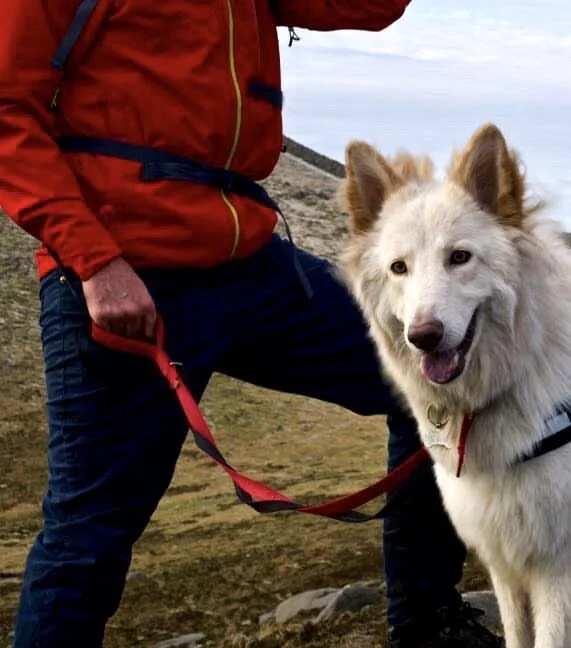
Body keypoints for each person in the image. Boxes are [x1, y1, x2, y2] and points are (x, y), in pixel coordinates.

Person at [0, 1, 503, 646]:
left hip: (247, 262)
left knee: (434, 386)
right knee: (89, 530)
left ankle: (426, 626)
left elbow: (370, 8)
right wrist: (96, 262)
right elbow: (7, 111)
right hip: (127, 269)